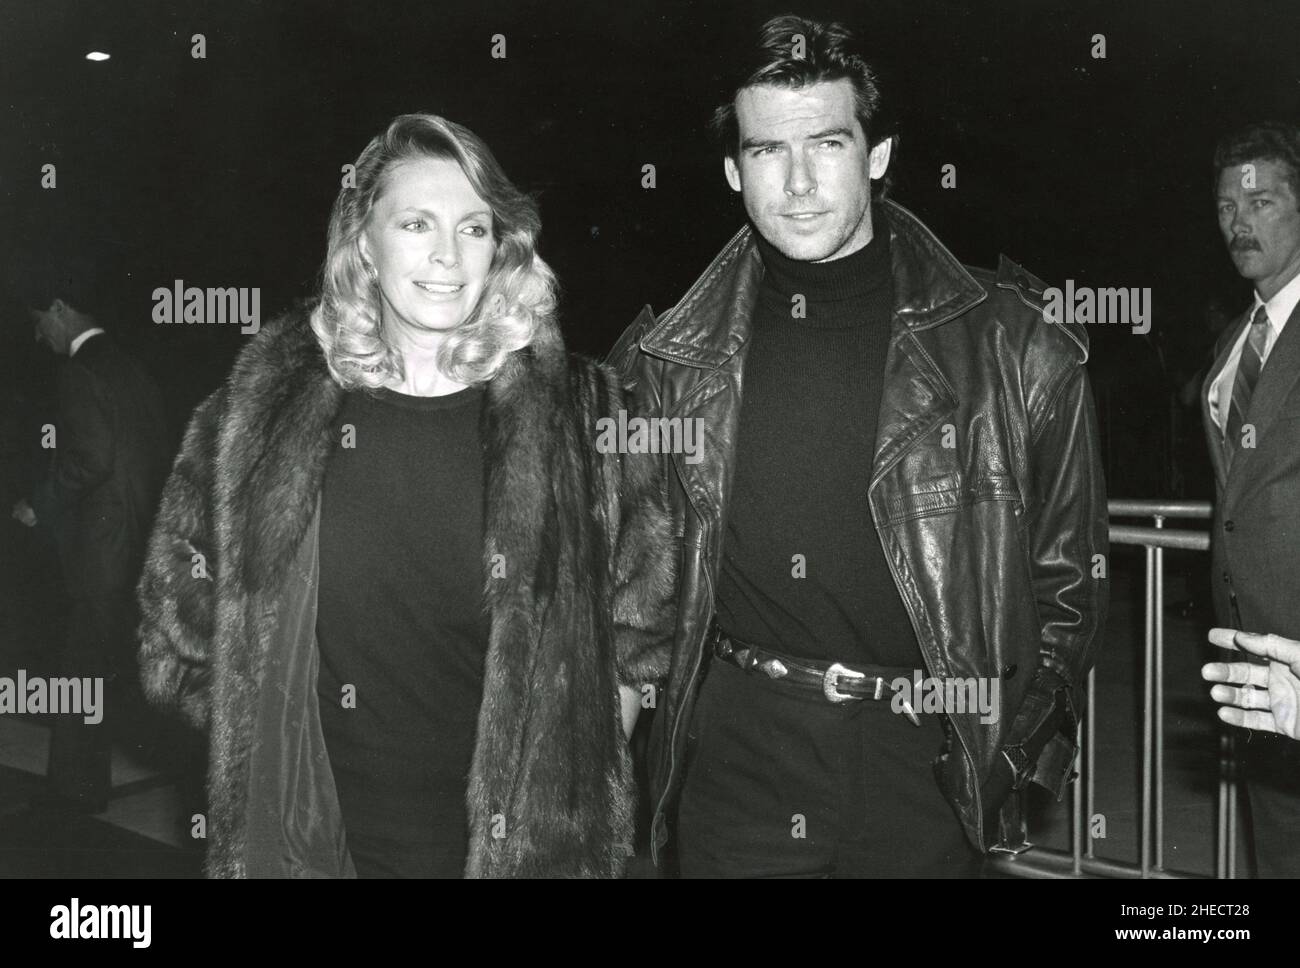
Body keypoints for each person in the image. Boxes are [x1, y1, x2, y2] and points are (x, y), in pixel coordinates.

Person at [610, 15, 1108, 877]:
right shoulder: (665, 362)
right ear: (734, 171)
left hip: (930, 768)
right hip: (737, 764)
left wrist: (1014, 752)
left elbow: (1070, 590)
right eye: (768, 152)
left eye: (827, 144)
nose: (799, 182)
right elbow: (634, 604)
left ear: (876, 156)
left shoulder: (1017, 347)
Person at [136, 113, 675, 878]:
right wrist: (270, 757)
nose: (448, 257)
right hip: (317, 846)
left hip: (520, 856)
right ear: (363, 242)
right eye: (417, 224)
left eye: (475, 228)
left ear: (504, 246)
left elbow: (639, 640)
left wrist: (569, 785)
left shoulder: (588, 418)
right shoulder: (263, 411)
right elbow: (179, 629)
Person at [12, 269, 171, 813]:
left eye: (39, 324)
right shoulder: (130, 367)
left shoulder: (79, 372)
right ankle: (88, 786)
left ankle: (74, 795)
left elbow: (91, 457)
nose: (39, 337)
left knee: (81, 676)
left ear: (59, 308)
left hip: (100, 552)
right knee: (106, 671)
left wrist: (40, 502)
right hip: (137, 546)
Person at [1198, 120, 1300, 877]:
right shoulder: (1235, 342)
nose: (1241, 221)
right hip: (1255, 669)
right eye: (1229, 205)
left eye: (1262, 201)